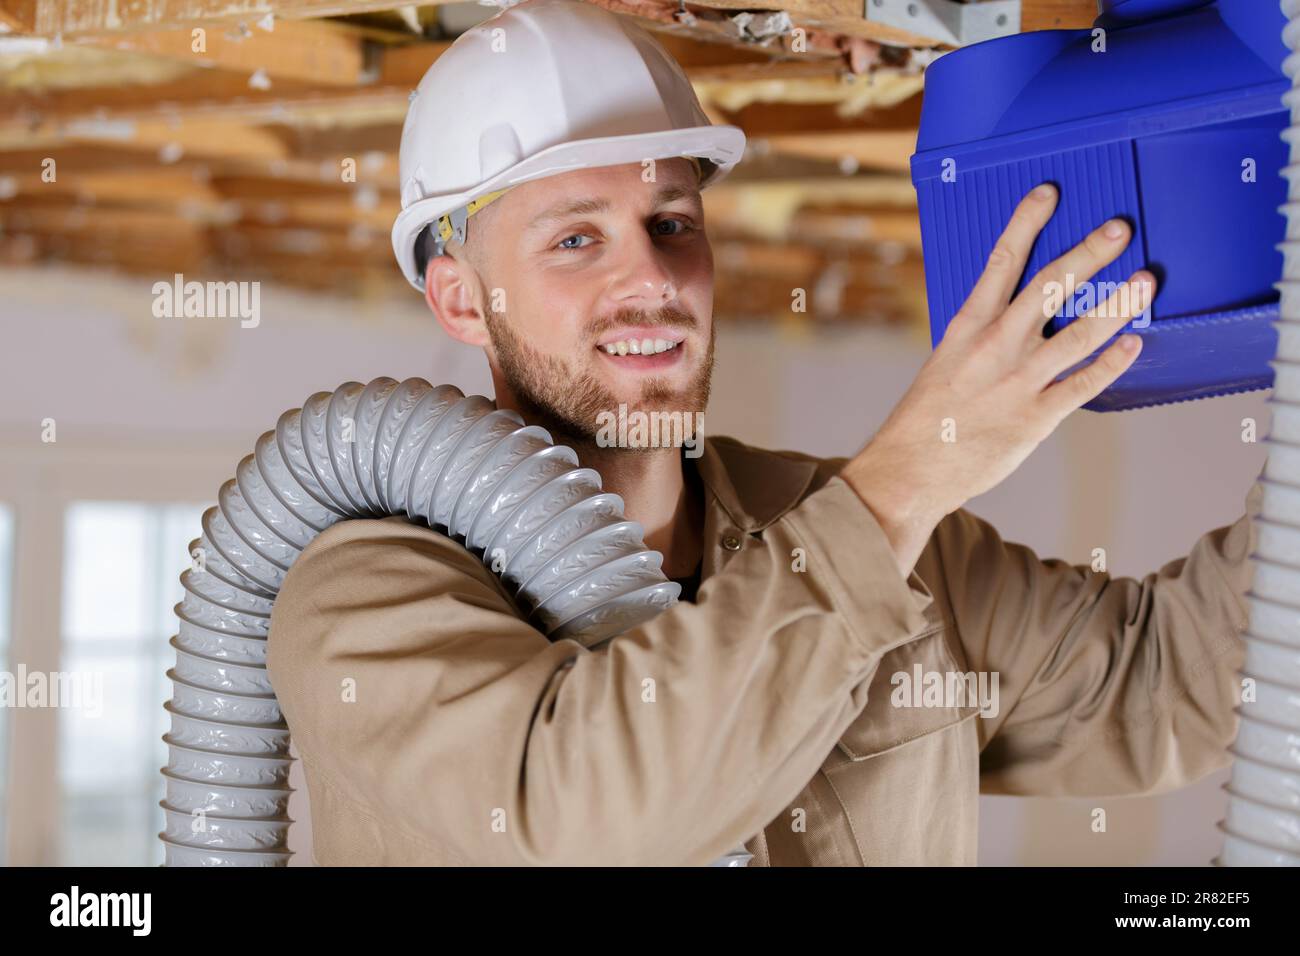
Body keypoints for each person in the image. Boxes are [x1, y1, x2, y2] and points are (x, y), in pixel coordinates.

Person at [265, 0, 1256, 865]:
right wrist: (902, 487)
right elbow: (579, 827)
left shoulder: (883, 550)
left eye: (671, 222)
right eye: (575, 238)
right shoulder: (366, 599)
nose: (651, 279)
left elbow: (1167, 681)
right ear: (461, 300)